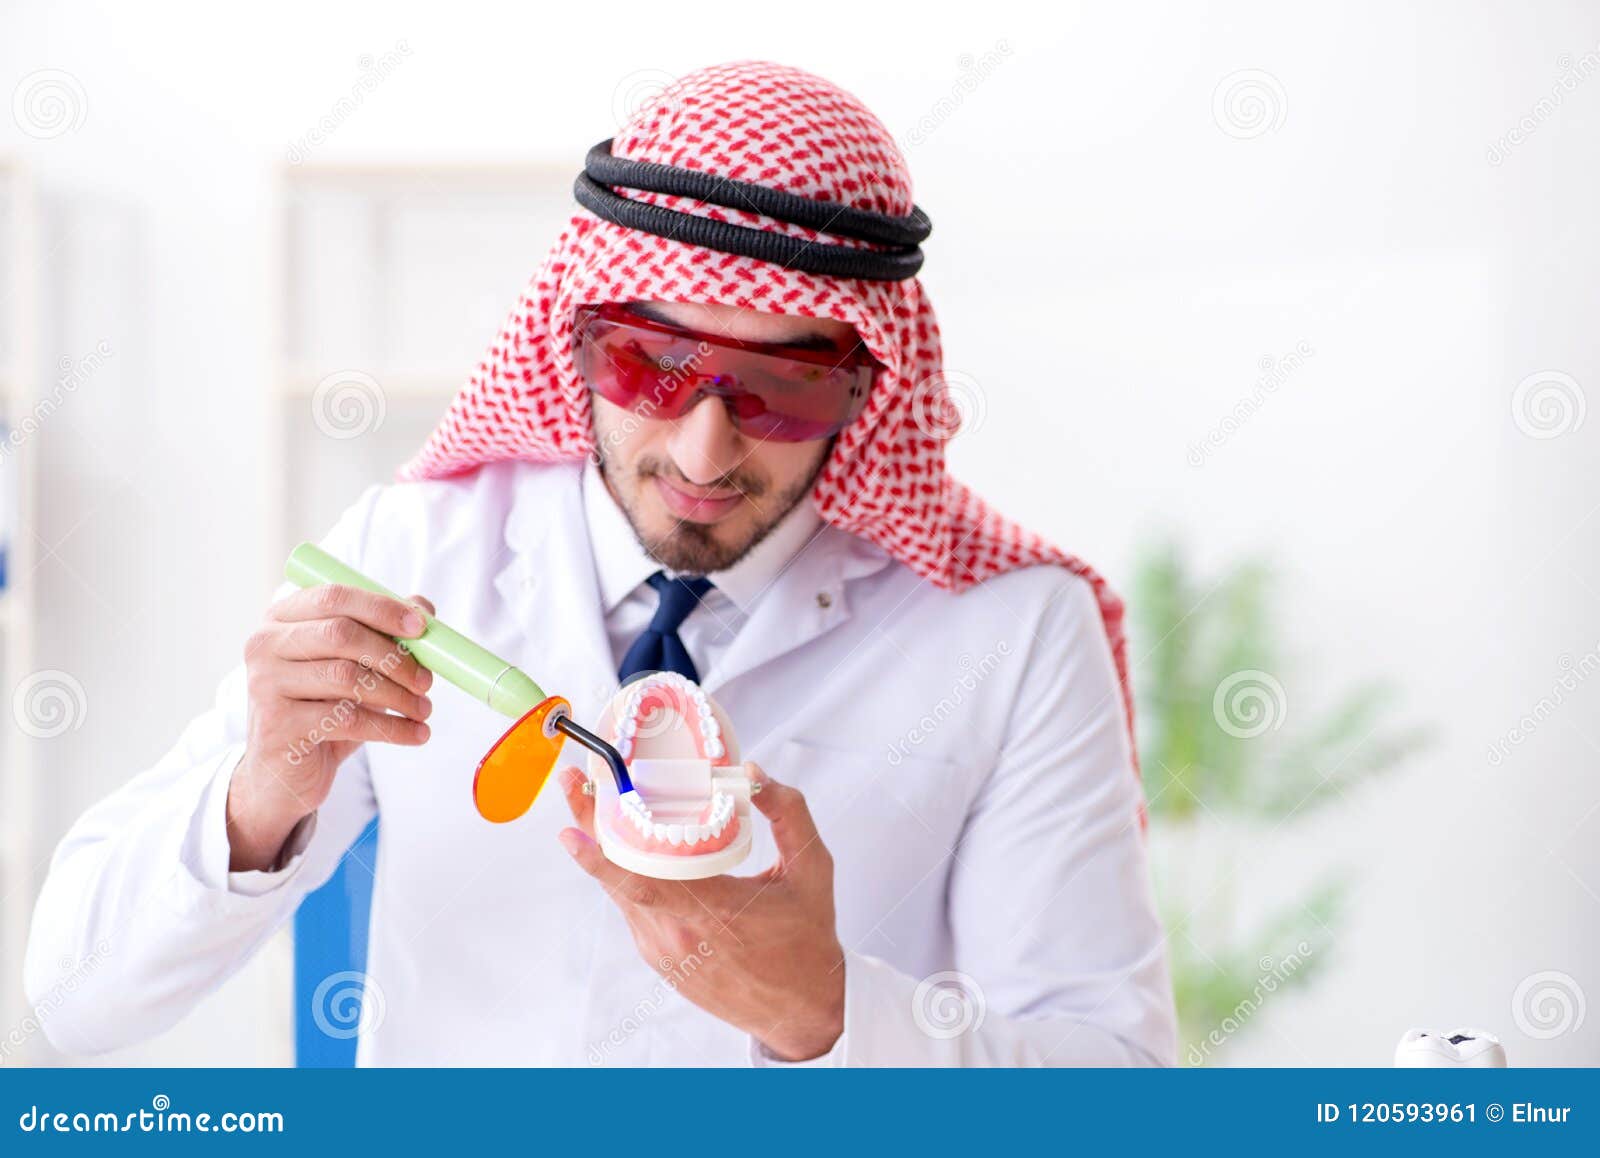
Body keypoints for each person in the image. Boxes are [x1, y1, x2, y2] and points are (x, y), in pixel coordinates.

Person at [25, 60, 1175, 1066]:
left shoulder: (1010, 633)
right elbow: (80, 1000)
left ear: (865, 384)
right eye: (652, 368)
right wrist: (260, 790)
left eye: (779, 387)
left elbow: (1111, 1084)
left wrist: (829, 1017)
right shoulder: (411, 560)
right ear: (575, 338)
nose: (703, 447)